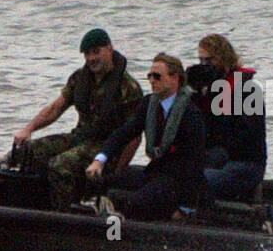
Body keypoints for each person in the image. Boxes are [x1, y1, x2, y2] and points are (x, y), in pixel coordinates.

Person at [9, 28, 142, 208]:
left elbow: (134, 136)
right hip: (80, 138)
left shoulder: (128, 87)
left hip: (106, 149)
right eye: (87, 53)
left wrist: (116, 173)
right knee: (28, 152)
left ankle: (64, 214)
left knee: (60, 165)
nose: (91, 58)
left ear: (110, 49)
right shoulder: (80, 79)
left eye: (96, 52)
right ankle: (27, 206)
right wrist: (29, 129)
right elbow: (56, 108)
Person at [84, 53, 206, 221]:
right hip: (155, 172)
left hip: (177, 181)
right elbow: (125, 132)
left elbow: (195, 162)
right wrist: (100, 160)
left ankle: (128, 233)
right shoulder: (149, 104)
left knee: (136, 202)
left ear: (175, 78)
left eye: (157, 76)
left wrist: (185, 207)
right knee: (106, 183)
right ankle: (106, 228)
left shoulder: (190, 112)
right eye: (149, 76)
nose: (152, 80)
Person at [188, 34, 267, 202]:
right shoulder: (206, 90)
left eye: (208, 61)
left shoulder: (247, 89)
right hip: (215, 158)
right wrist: (197, 96)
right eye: (201, 61)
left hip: (245, 163)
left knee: (200, 181)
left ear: (223, 60)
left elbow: (246, 140)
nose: (204, 66)